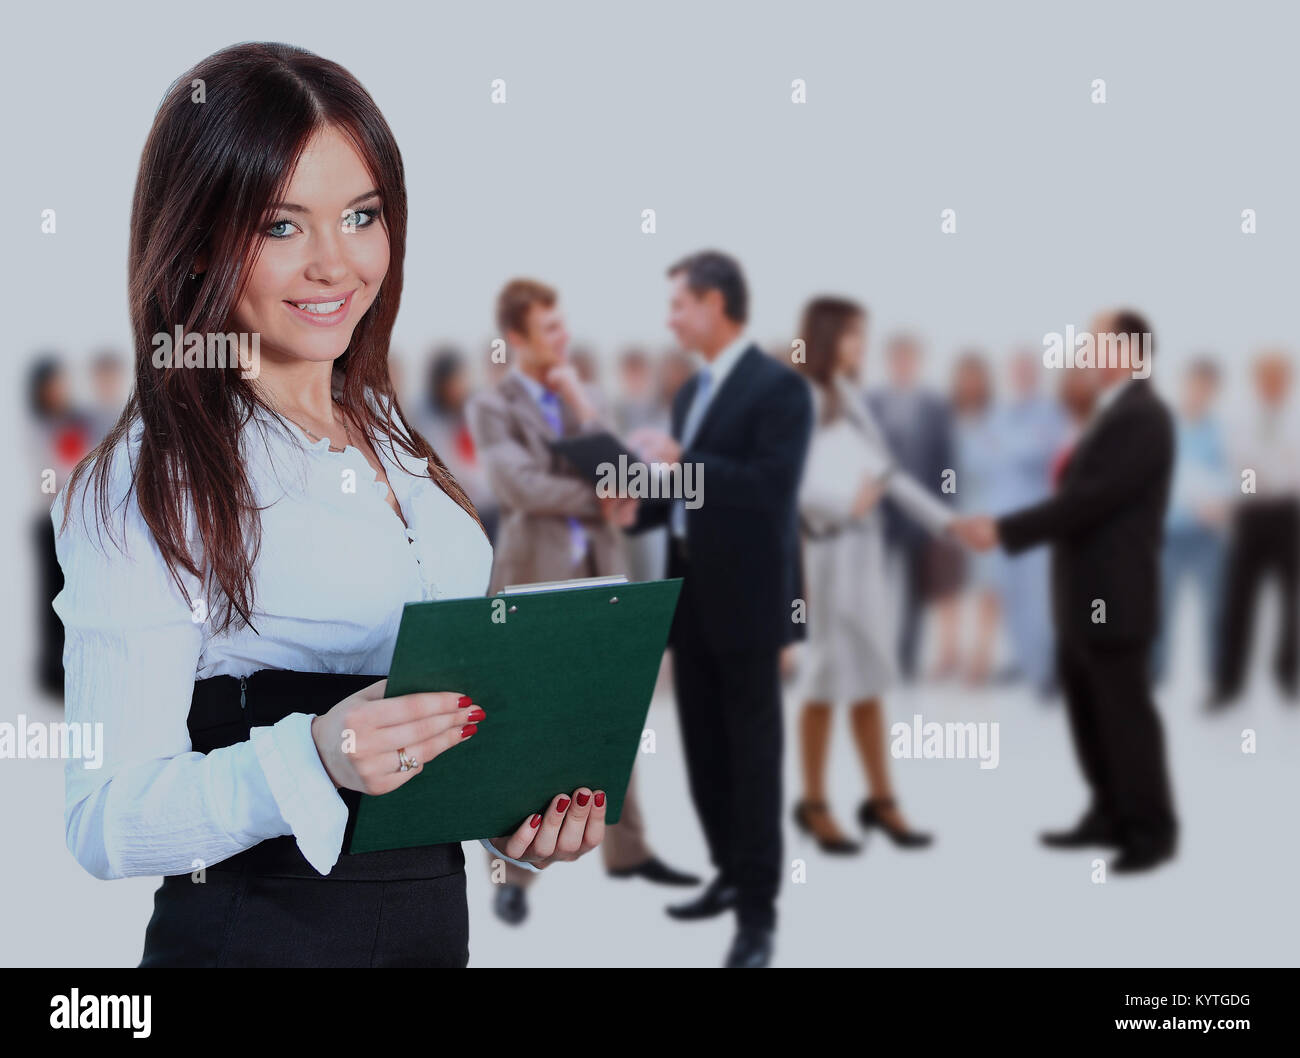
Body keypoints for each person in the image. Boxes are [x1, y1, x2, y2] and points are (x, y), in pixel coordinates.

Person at [52, 42, 607, 968]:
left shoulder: (393, 440)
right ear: (195, 241)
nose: (334, 264)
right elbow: (103, 819)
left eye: (361, 216)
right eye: (280, 226)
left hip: (429, 935)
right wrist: (311, 758)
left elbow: (427, 737)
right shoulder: (155, 474)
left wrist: (511, 820)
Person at [467, 278, 696, 925]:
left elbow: (620, 472)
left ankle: (630, 852)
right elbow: (520, 486)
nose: (561, 338)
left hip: (602, 570)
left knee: (613, 715)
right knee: (528, 729)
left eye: (563, 326)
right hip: (533, 576)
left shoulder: (586, 394)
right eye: (548, 330)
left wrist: (574, 397)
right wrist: (601, 497)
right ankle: (513, 876)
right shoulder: (493, 405)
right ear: (517, 339)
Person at [625, 250, 813, 968]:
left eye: (678, 304)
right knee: (704, 749)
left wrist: (680, 465)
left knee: (754, 757)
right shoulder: (689, 393)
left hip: (748, 600)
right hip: (690, 597)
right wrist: (635, 508)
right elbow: (684, 496)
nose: (671, 319)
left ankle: (758, 916)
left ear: (714, 305)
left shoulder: (781, 391)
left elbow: (769, 487)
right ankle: (728, 875)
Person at [952, 310, 1178, 873]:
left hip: (1116, 597)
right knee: (1088, 714)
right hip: (1081, 595)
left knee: (1125, 716)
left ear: (1128, 349)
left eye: (1095, 343)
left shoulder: (1145, 416)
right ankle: (1107, 813)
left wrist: (1004, 530)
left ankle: (1151, 830)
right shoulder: (1108, 416)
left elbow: (1090, 501)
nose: (1085, 353)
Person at [790, 296, 948, 854]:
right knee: (824, 680)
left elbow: (889, 476)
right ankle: (812, 804)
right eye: (856, 336)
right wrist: (844, 504)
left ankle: (882, 800)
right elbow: (790, 484)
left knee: (871, 673)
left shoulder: (850, 395)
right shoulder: (801, 397)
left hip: (864, 553)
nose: (863, 347)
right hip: (830, 553)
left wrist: (949, 524)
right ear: (830, 335)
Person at [868, 335, 960, 680]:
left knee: (914, 592)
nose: (903, 364)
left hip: (920, 512)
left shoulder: (935, 406)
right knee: (873, 586)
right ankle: (873, 656)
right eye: (897, 358)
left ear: (917, 361)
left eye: (909, 358)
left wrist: (946, 505)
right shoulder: (872, 402)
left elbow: (947, 462)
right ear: (889, 361)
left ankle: (906, 660)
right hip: (881, 511)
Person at [1212, 351, 1299, 706]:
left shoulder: (1295, 417)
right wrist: (1267, 470)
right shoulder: (1238, 418)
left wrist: (1267, 468)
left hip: (1288, 515)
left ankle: (1287, 677)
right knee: (1237, 601)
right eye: (1266, 375)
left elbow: (1289, 472)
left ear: (1289, 380)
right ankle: (1229, 685)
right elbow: (1241, 466)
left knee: (1291, 601)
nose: (1272, 382)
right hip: (1250, 514)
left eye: (1279, 375)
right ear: (1256, 380)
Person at [993, 352, 1069, 696]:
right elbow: (989, 455)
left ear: (1036, 375)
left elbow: (1039, 452)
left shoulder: (1051, 413)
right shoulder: (1001, 414)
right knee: (1011, 595)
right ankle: (1023, 662)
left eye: (1027, 370)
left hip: (1037, 519)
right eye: (1016, 370)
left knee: (1039, 598)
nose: (1021, 376)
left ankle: (1046, 671)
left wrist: (1009, 446)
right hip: (1003, 518)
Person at [1153, 359, 1231, 687]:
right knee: (1160, 608)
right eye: (1194, 385)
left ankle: (1217, 679)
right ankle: (1155, 675)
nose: (1199, 393)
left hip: (1207, 535)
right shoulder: (1162, 427)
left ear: (1214, 391)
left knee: (1214, 610)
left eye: (1206, 387)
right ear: (1184, 385)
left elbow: (1243, 478)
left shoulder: (1222, 433)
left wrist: (1227, 503)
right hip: (1167, 534)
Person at [946, 351, 1002, 685]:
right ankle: (951, 653)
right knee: (952, 585)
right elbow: (945, 470)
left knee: (987, 587)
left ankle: (981, 657)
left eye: (975, 378)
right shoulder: (948, 419)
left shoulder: (995, 419)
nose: (969, 385)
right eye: (964, 378)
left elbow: (997, 466)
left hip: (986, 509)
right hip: (954, 510)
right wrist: (949, 496)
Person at [414, 346, 500, 543]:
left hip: (487, 505)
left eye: (461, 380)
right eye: (452, 382)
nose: (457, 387)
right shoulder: (426, 417)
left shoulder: (477, 408)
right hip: (454, 508)